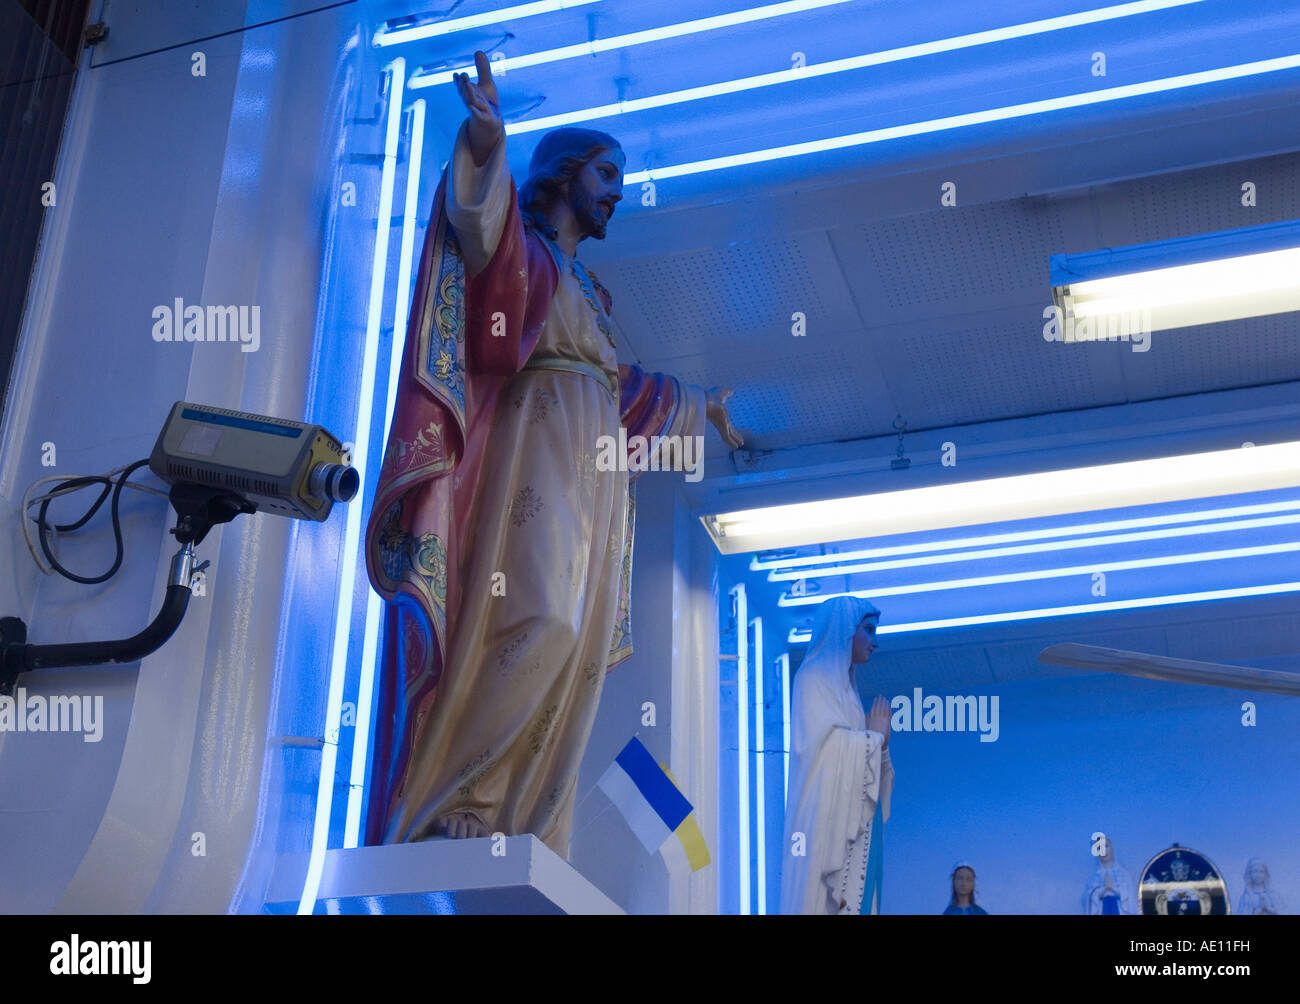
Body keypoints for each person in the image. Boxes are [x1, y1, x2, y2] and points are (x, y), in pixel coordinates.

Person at [363, 52, 742, 853]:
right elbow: (480, 227)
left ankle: (525, 816)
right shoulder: (528, 257)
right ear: (564, 175)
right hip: (532, 453)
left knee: (578, 647)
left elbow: (624, 386)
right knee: (538, 621)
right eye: (606, 172)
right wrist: (485, 142)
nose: (615, 192)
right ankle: (456, 796)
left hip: (593, 469)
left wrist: (697, 406)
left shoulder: (591, 295)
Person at [780, 596, 893, 914]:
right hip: (821, 825)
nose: (875, 642)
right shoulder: (813, 678)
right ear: (844, 630)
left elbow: (852, 755)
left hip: (850, 827)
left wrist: (878, 746)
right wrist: (874, 738)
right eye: (868, 630)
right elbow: (825, 754)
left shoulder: (849, 693)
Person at [1083, 838, 1137, 915]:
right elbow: (1087, 900)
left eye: (1106, 846)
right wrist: (1102, 891)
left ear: (1112, 849)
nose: (1103, 851)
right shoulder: (1093, 877)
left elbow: (1132, 897)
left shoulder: (1124, 874)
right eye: (1099, 848)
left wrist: (1114, 889)